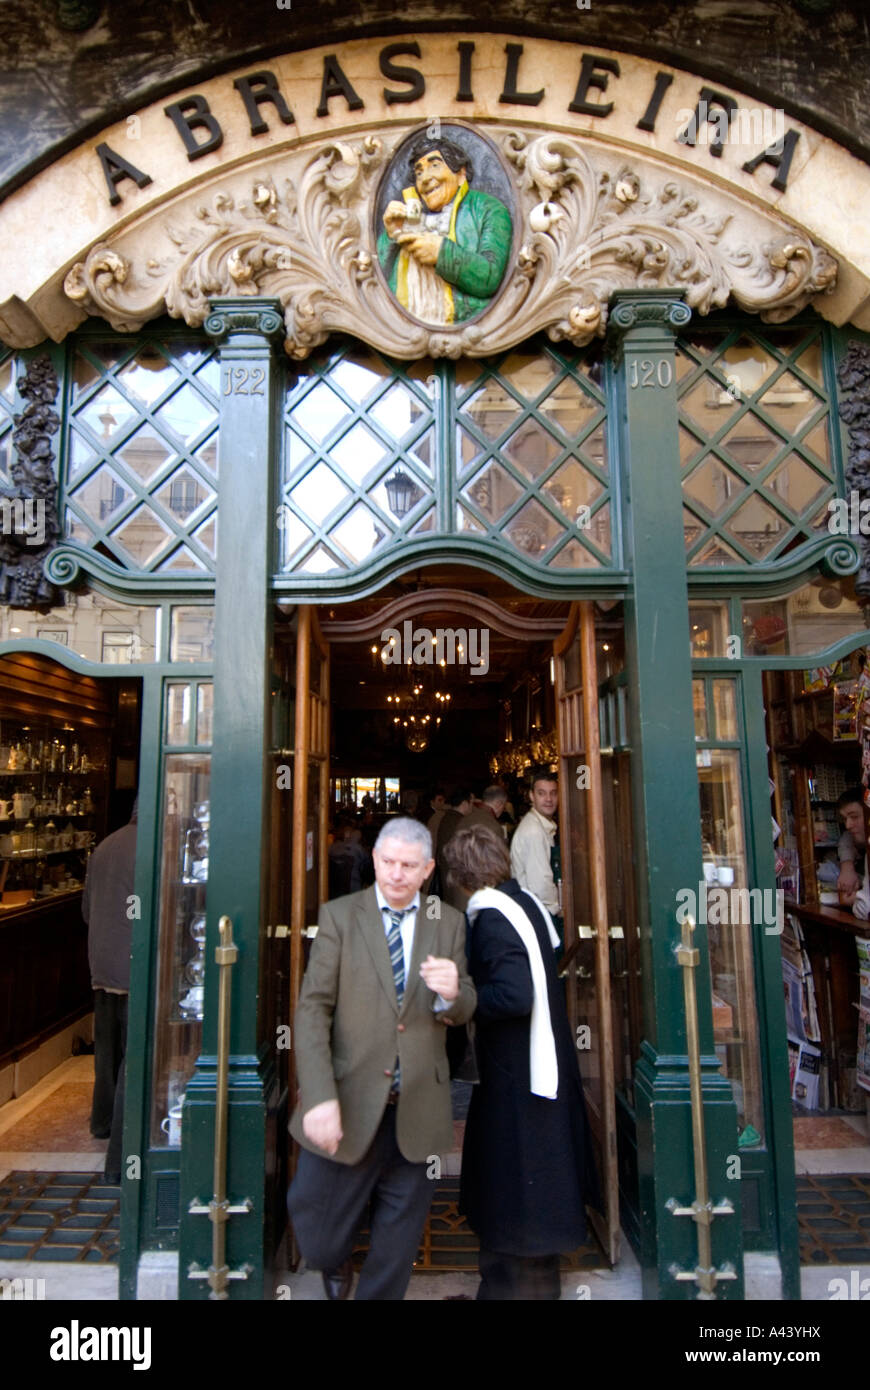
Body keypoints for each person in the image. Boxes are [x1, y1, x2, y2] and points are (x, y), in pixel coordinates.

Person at [287, 817, 476, 1300]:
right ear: (373, 860)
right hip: (348, 1102)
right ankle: (336, 1263)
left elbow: (464, 1004)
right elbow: (312, 1011)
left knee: (397, 1244)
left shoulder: (448, 922)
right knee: (317, 1230)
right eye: (388, 862)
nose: (396, 874)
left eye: (408, 865)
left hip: (417, 1105)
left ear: (428, 869)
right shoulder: (340, 917)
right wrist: (319, 1097)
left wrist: (453, 995)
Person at [442, 823, 600, 1300]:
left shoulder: (490, 917)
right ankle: (531, 1285)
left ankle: (508, 1290)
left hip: (517, 1072)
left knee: (512, 1182)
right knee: (533, 1177)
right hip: (541, 1062)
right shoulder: (526, 902)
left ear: (463, 875)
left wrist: (461, 998)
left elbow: (513, 994)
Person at [377, 134, 513, 325]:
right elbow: (376, 285)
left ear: (461, 174)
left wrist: (441, 253)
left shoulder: (487, 209)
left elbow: (489, 277)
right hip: (404, 333)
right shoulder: (410, 219)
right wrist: (392, 236)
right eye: (419, 172)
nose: (424, 179)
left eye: (434, 165)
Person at [82, 797, 137, 1185]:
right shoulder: (152, 849)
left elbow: (87, 908)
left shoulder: (104, 847)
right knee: (135, 1054)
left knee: (106, 1048)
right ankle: (120, 1153)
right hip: (134, 965)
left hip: (101, 963)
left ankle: (101, 1121)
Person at [510, 768, 561, 922]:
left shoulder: (542, 824)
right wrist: (557, 909)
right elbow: (541, 883)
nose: (549, 799)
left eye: (553, 793)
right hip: (539, 913)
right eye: (542, 793)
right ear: (531, 796)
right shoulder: (534, 831)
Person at [836, 786, 867, 908]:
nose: (848, 825)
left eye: (854, 817)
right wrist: (847, 866)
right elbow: (846, 838)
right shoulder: (849, 838)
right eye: (845, 819)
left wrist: (857, 899)